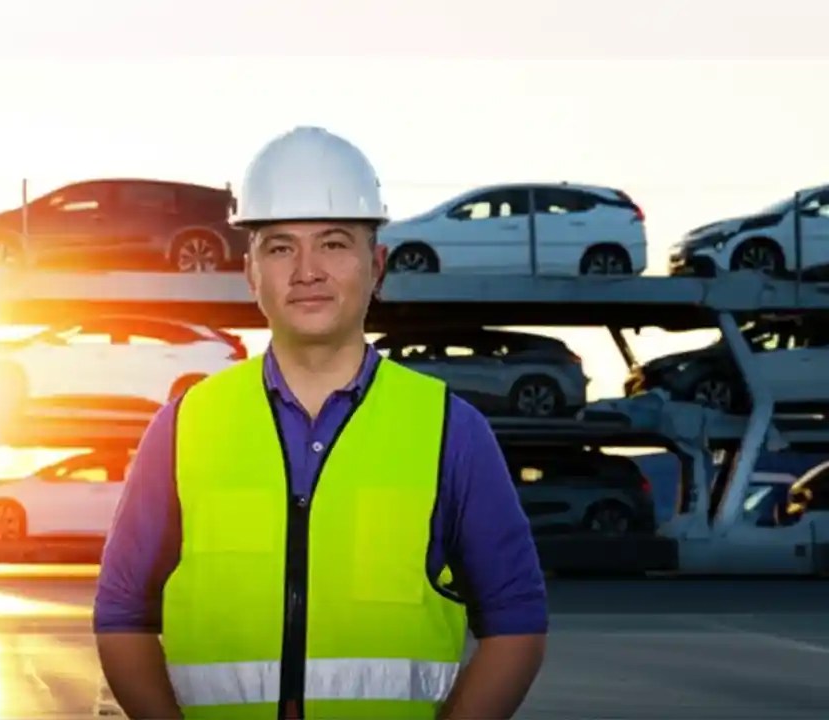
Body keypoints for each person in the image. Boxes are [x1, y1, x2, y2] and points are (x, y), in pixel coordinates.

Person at [93, 126, 548, 719]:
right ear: (251, 272)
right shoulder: (184, 427)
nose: (307, 270)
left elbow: (516, 622)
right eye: (280, 247)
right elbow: (122, 614)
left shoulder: (449, 430)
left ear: (376, 264)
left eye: (333, 244)